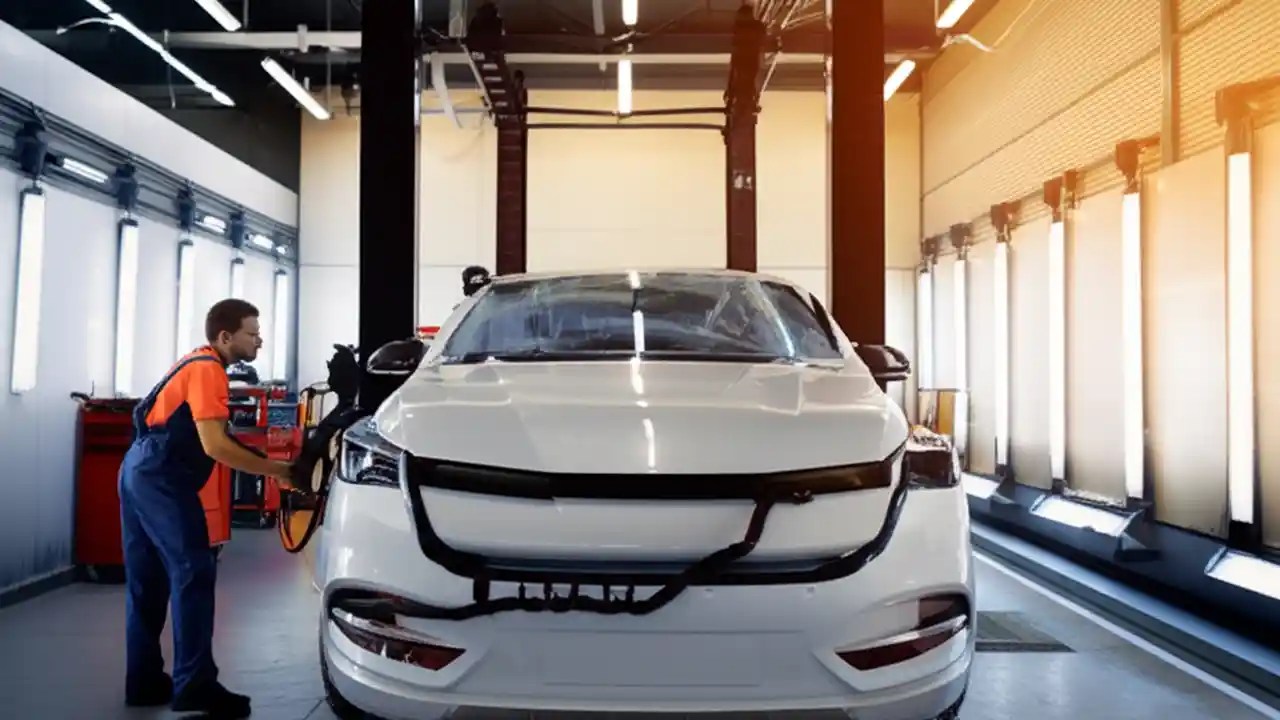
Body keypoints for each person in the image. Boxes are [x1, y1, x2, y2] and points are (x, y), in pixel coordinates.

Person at [119, 299, 294, 719]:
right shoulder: (208, 369)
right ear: (226, 336)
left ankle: (143, 682)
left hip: (138, 469)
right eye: (253, 333)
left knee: (148, 580)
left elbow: (214, 436)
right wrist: (278, 471)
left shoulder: (194, 362)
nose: (260, 340)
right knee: (194, 570)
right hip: (161, 476)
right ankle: (195, 685)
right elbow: (215, 445)